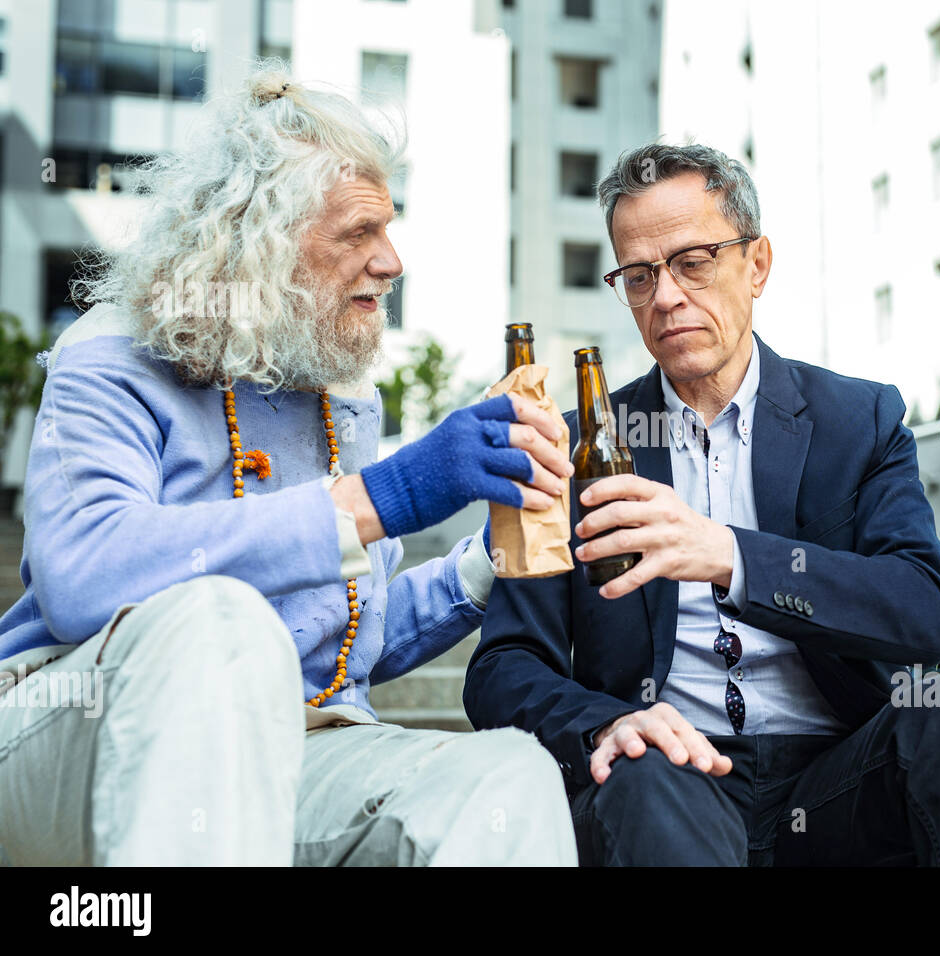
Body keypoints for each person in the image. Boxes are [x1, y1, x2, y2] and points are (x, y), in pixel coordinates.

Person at [0, 68, 577, 866]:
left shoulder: (338, 392)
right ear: (260, 240)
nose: (392, 261)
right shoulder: (109, 352)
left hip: (297, 747)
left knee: (506, 778)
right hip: (70, 731)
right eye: (358, 233)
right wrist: (388, 495)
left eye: (391, 228)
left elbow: (340, 639)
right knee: (218, 624)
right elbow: (83, 574)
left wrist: (486, 566)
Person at [464, 143, 940, 866]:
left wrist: (732, 557)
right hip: (669, 777)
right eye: (639, 275)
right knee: (647, 774)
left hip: (837, 781)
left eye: (693, 262)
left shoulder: (858, 419)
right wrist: (610, 726)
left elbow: (923, 611)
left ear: (756, 265)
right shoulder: (570, 451)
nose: (665, 297)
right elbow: (503, 668)